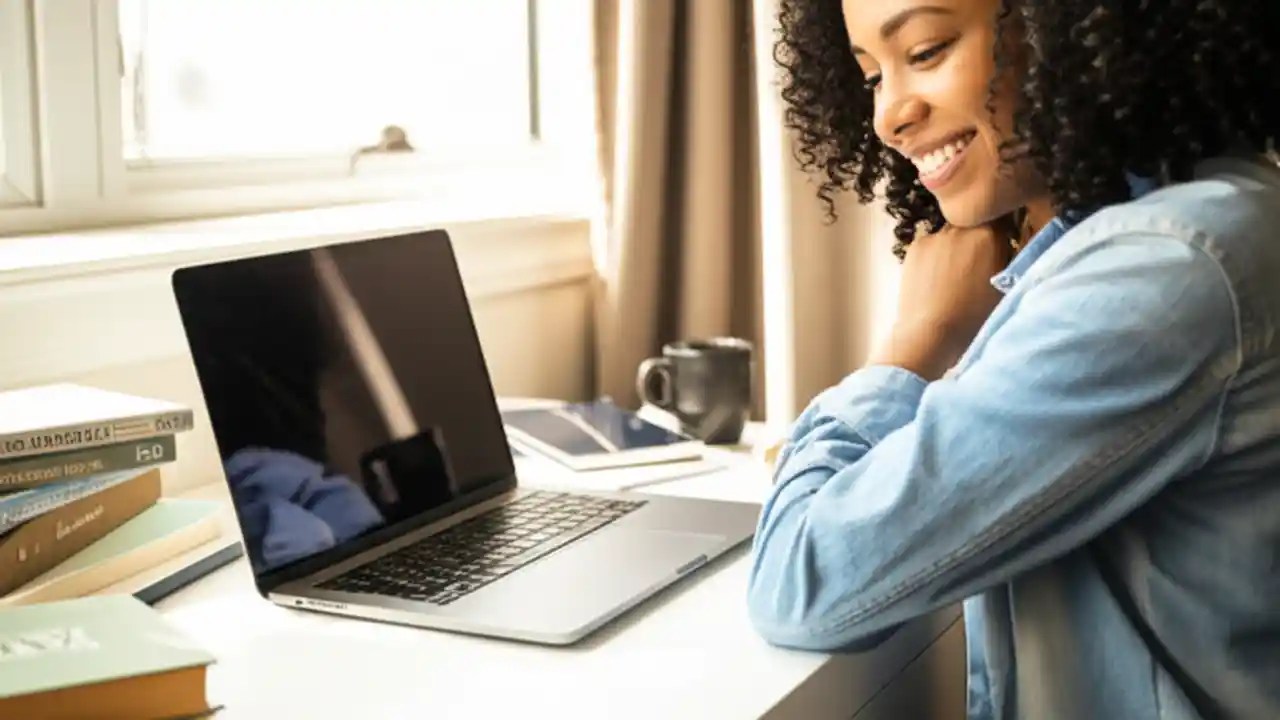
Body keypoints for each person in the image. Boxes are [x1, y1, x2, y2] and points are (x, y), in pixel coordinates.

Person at [745, 1, 1280, 718]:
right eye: (871, 76)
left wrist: (915, 340)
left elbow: (802, 585)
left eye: (927, 51)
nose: (888, 117)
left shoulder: (1160, 271)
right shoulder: (1204, 213)